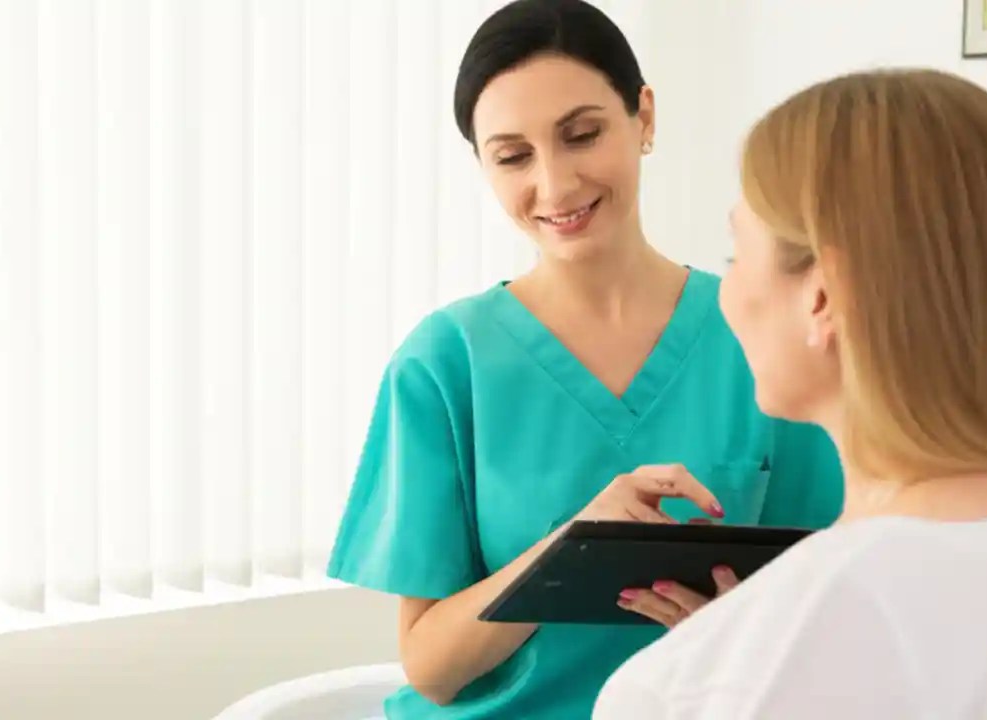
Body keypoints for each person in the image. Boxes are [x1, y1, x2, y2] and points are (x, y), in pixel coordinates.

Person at [326, 1, 843, 717]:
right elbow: (432, 670)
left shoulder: (760, 331)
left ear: (644, 118)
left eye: (582, 135)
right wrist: (574, 548)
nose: (556, 184)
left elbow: (827, 602)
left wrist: (734, 635)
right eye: (513, 156)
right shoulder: (445, 363)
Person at [593, 68, 987, 719]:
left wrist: (746, 659)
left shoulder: (697, 684)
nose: (725, 291)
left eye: (736, 256)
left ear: (823, 298)